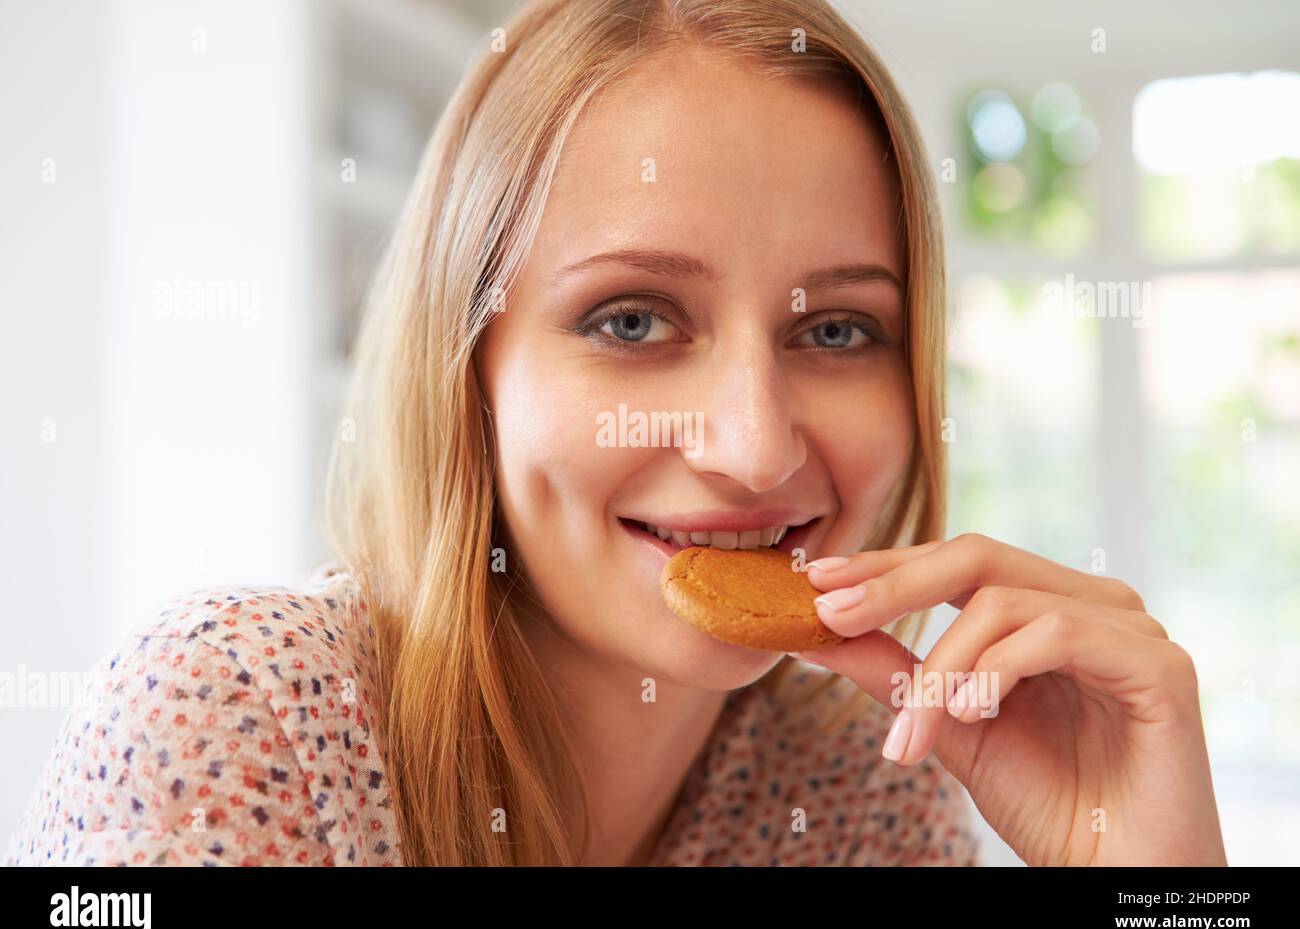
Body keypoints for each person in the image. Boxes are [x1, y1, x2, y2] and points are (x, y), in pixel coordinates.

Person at [5, 0, 1225, 867]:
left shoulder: (868, 790)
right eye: (632, 317)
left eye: (840, 330)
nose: (752, 446)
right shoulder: (244, 718)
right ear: (466, 366)